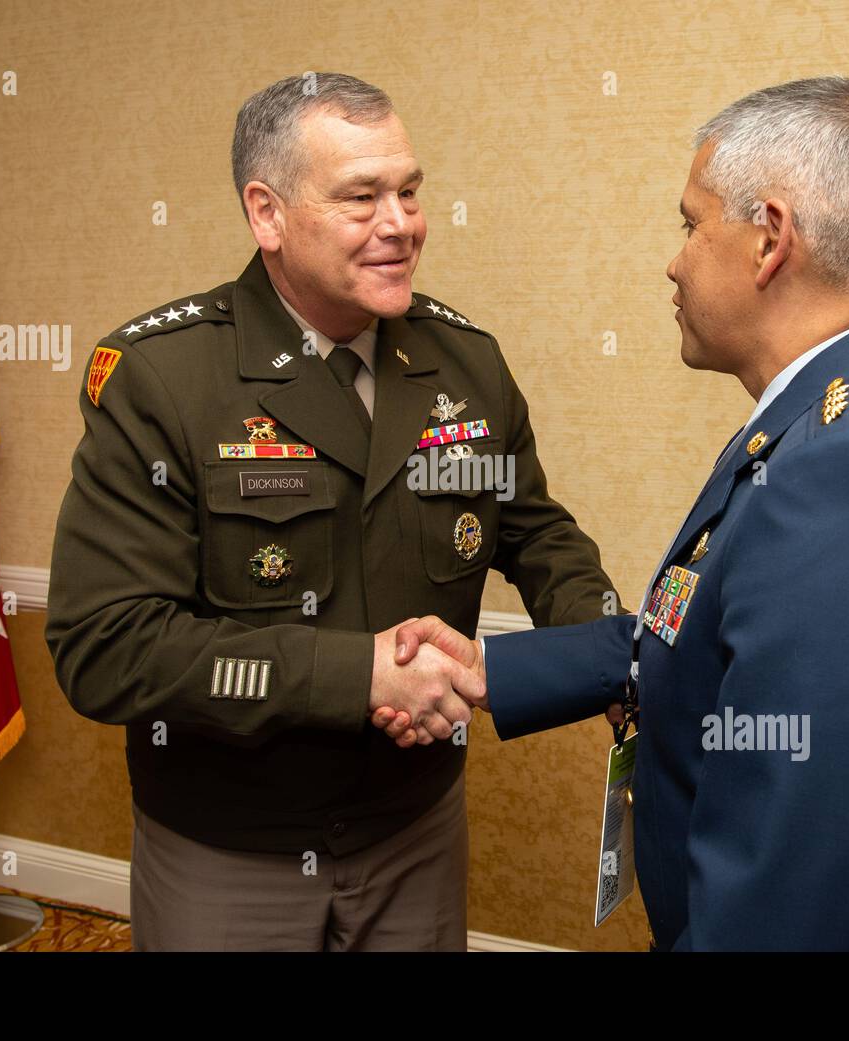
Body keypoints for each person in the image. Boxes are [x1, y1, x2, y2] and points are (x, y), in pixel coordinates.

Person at [378, 76, 849, 951]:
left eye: (691, 224)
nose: (675, 260)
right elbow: (699, 627)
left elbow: (789, 902)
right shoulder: (830, 415)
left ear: (769, 239)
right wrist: (493, 670)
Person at [45, 72, 617, 951]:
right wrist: (361, 678)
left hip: (414, 830)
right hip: (233, 853)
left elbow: (536, 532)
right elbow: (106, 644)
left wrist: (600, 654)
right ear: (267, 214)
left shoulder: (463, 362)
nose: (401, 224)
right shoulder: (162, 378)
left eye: (410, 191)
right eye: (361, 197)